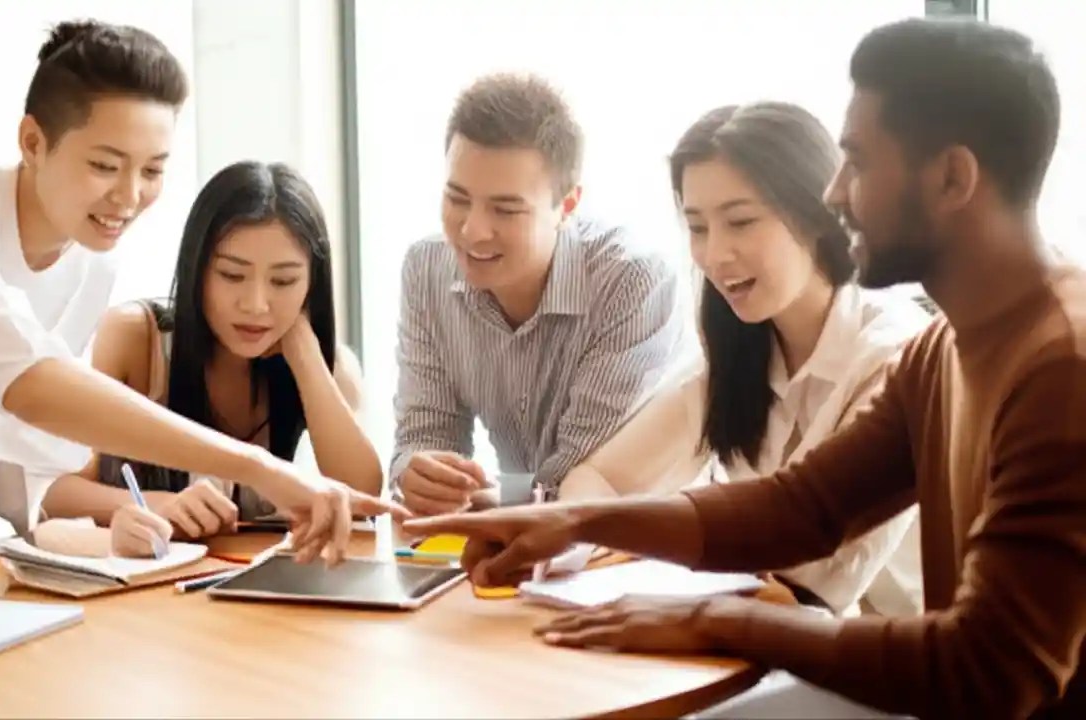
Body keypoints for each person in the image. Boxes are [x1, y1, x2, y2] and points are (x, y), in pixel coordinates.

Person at [405, 18, 1085, 720]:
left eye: (858, 162)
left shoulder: (1061, 369)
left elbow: (992, 673)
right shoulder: (943, 350)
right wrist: (574, 520)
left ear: (952, 178)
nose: (834, 194)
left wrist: (720, 621)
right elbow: (803, 509)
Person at [0, 21, 394, 584]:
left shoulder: (91, 262)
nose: (130, 196)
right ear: (33, 142)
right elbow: (35, 386)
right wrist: (258, 466)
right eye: (105, 166)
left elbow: (25, 483)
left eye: (153, 170)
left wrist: (122, 528)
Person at [559, 102, 928, 617]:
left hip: (904, 669)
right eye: (698, 227)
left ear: (815, 213)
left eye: (740, 221)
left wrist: (645, 547)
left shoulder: (894, 352)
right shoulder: (740, 353)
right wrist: (570, 544)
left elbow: (815, 583)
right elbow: (596, 483)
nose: (715, 255)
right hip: (786, 652)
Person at [41, 161, 382, 557]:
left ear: (312, 283)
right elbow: (54, 491)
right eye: (232, 276)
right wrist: (154, 505)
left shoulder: (327, 365)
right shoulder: (137, 338)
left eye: (284, 281)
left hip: (250, 592)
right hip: (145, 593)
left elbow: (361, 494)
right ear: (197, 269)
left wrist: (306, 357)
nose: (256, 305)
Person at [391, 72, 690, 516]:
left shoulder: (632, 282)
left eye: (505, 209)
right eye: (457, 198)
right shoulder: (426, 269)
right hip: (528, 544)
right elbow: (423, 434)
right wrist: (420, 475)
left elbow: (583, 483)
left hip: (636, 544)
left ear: (566, 206)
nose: (472, 230)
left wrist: (490, 496)